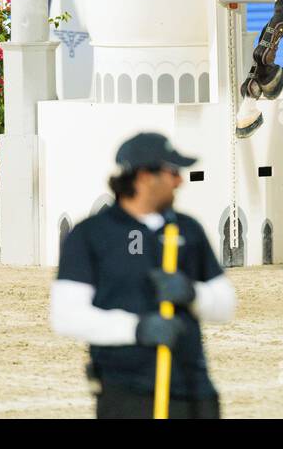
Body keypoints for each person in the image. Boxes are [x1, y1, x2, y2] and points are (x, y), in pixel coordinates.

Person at [50, 132, 236, 419]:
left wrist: (193, 293)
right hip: (127, 394)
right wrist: (136, 329)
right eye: (172, 172)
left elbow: (225, 305)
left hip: (193, 391)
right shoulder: (90, 235)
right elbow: (66, 316)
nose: (180, 181)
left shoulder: (188, 229)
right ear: (145, 176)